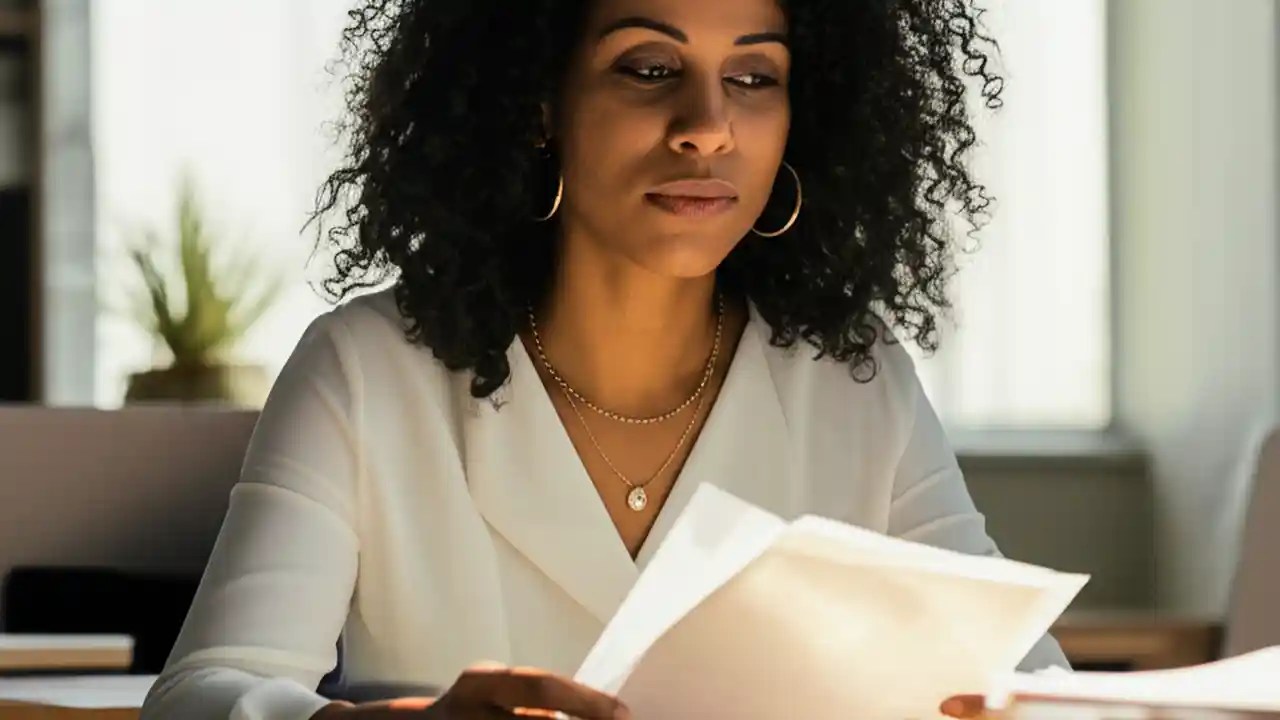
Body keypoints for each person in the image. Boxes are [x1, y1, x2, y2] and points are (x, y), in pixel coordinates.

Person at [141, 0, 1068, 718]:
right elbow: (202, 694)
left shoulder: (856, 384)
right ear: (540, 101)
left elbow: (1030, 687)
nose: (708, 126)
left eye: (754, 77)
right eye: (649, 67)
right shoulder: (367, 371)